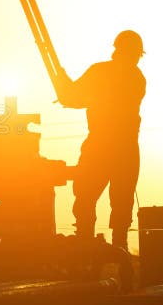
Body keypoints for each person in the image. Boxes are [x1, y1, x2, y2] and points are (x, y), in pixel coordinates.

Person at [57, 30, 146, 250]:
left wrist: (61, 79)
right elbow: (80, 98)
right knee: (120, 202)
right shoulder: (137, 77)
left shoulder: (102, 72)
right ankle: (118, 250)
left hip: (102, 144)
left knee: (87, 195)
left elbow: (73, 97)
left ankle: (87, 245)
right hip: (125, 148)